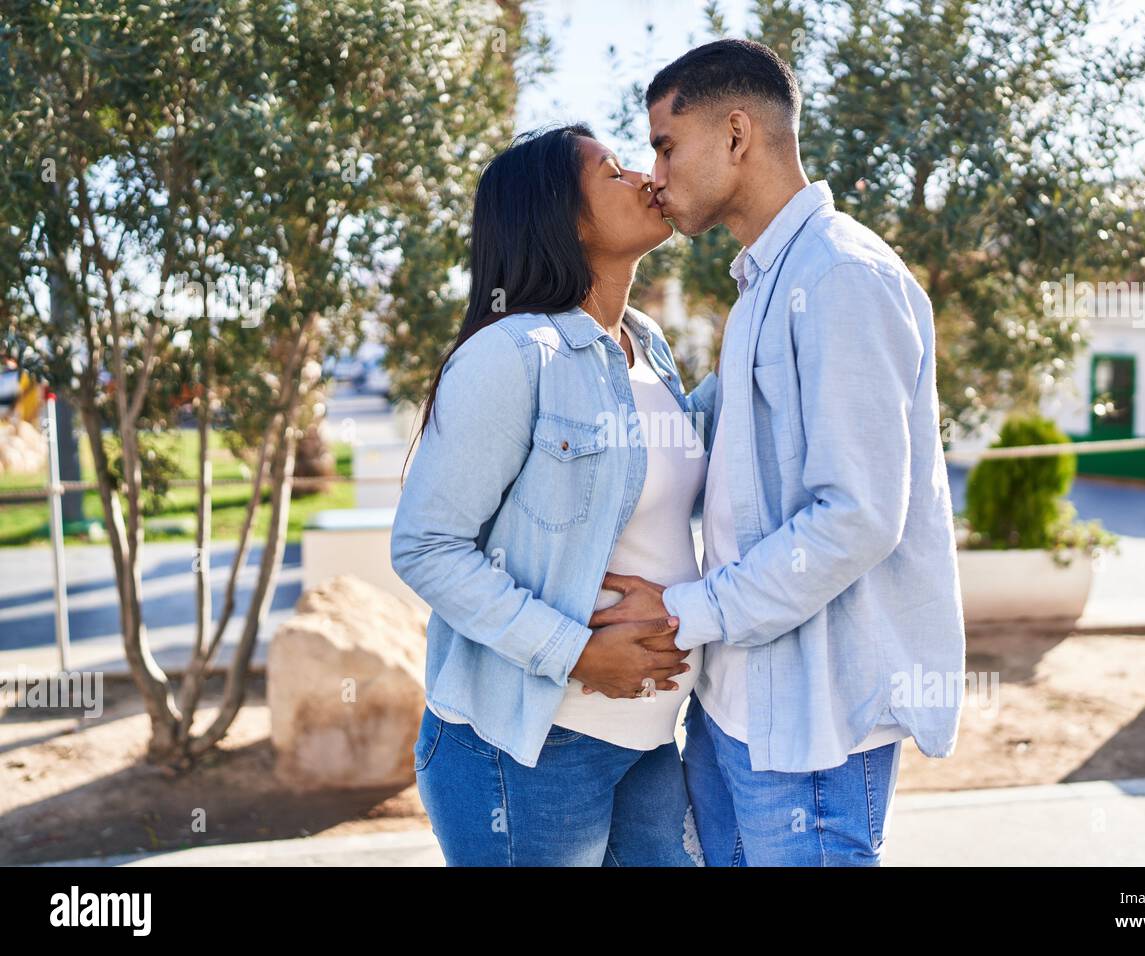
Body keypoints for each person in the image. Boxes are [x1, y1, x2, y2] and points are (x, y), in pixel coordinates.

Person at [591, 38, 968, 866]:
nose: (654, 174)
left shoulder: (841, 278)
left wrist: (683, 612)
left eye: (664, 144)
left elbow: (858, 517)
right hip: (735, 713)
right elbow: (704, 453)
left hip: (813, 731)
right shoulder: (767, 284)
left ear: (735, 135)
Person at [390, 123, 717, 866]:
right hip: (531, 750)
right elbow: (425, 548)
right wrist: (574, 654)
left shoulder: (646, 346)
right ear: (563, 218)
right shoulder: (511, 355)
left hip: (650, 738)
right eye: (613, 172)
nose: (644, 178)